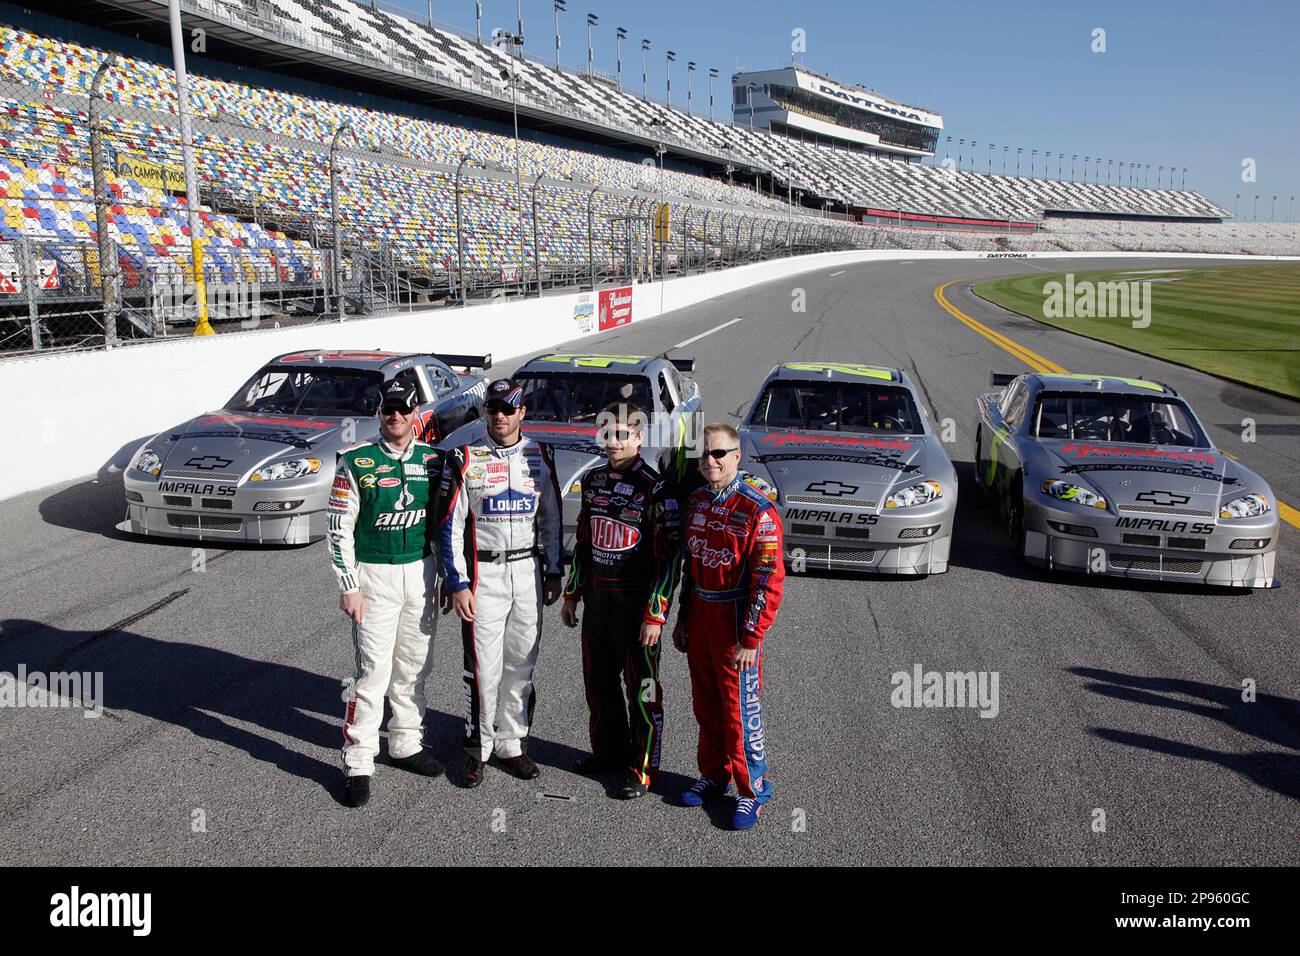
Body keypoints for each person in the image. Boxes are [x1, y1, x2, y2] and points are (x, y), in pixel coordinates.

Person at [437, 379, 564, 788]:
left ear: (522, 412)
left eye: (509, 409)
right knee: (482, 668)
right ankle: (478, 746)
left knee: (521, 664)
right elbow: (449, 527)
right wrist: (456, 582)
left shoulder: (540, 455)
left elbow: (552, 519)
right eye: (494, 409)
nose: (501, 416)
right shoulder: (464, 458)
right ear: (486, 412)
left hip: (527, 572)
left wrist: (554, 571)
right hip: (483, 576)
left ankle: (512, 742)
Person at [328, 379, 445, 809]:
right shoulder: (355, 461)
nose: (395, 416)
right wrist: (349, 586)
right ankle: (358, 761)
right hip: (373, 578)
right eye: (387, 410)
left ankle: (406, 743)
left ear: (415, 413)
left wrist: (451, 578)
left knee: (414, 666)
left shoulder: (437, 461)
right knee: (372, 672)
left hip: (421, 574)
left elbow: (449, 525)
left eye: (402, 409)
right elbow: (338, 528)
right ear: (378, 414)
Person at [561, 401, 680, 799]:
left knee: (642, 688)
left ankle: (643, 768)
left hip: (636, 608)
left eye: (621, 434)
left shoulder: (656, 487)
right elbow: (581, 543)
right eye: (606, 434)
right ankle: (608, 753)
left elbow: (669, 558)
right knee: (598, 684)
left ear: (639, 437)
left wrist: (656, 614)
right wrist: (572, 595)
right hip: (597, 602)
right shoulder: (592, 480)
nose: (612, 442)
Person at [672, 423, 785, 830]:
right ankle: (714, 775)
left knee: (740, 709)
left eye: (719, 453)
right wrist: (683, 617)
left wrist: (752, 638)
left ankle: (752, 789)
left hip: (736, 619)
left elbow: (769, 578)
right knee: (705, 704)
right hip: (702, 610)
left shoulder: (758, 508)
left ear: (737, 456)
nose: (711, 461)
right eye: (704, 455)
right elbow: (688, 567)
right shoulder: (696, 501)